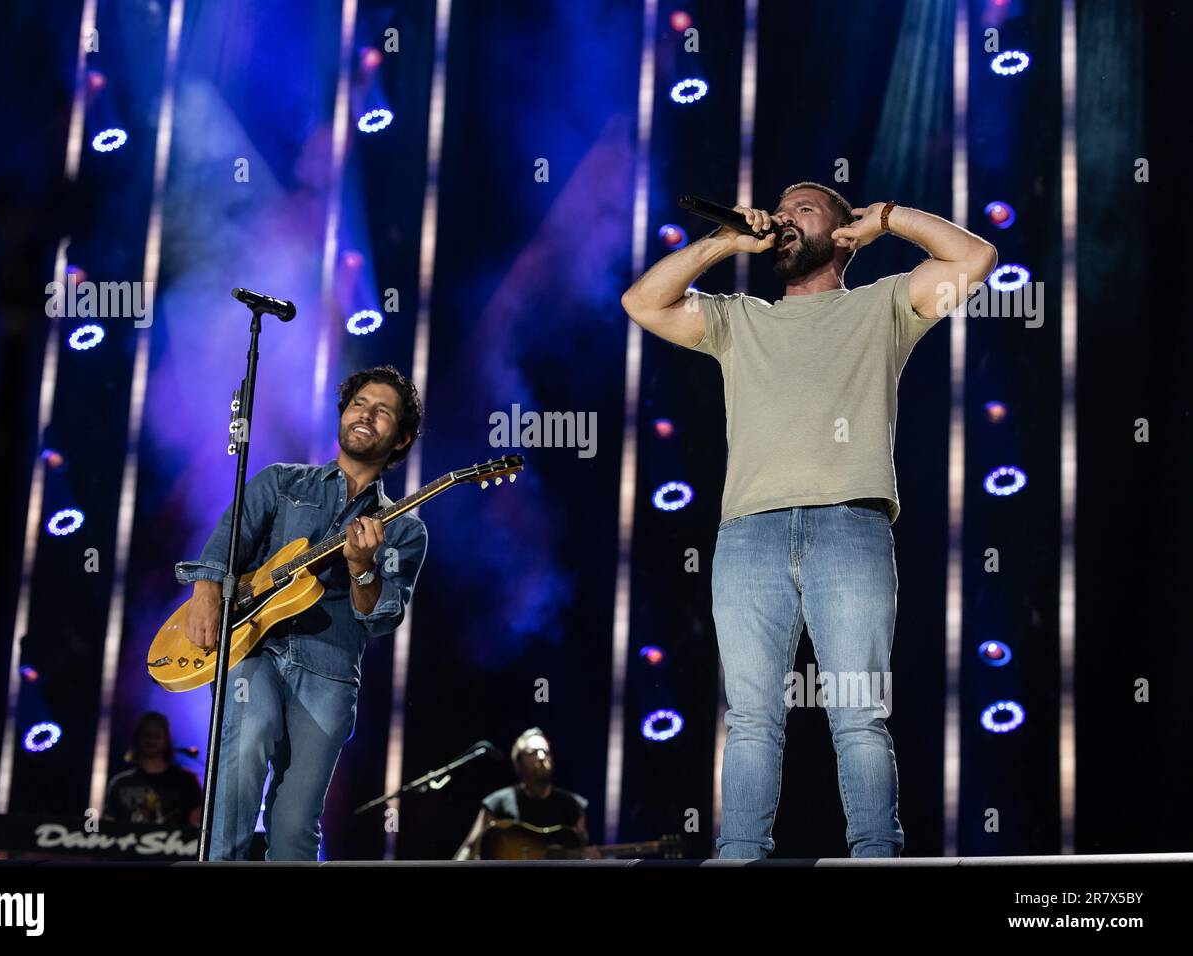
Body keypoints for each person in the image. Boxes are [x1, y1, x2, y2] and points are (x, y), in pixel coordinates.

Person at [621, 183, 996, 859]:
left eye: (804, 209)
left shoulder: (882, 305)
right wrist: (725, 241)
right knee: (752, 718)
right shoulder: (741, 319)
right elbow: (642, 302)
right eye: (781, 210)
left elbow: (974, 260)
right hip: (747, 536)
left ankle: (876, 853)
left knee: (859, 715)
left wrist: (886, 219)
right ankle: (739, 851)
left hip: (849, 528)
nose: (784, 217)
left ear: (839, 230)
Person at [175, 365, 429, 860]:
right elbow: (225, 547)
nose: (367, 415)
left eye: (383, 412)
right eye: (359, 404)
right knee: (249, 736)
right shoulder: (281, 482)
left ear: (400, 440)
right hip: (255, 649)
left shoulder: (404, 531)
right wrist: (205, 592)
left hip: (330, 671)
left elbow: (382, 617)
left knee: (294, 826)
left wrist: (361, 570)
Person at [454, 728, 593, 860]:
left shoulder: (572, 804)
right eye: (533, 752)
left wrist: (590, 858)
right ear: (518, 762)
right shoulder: (497, 803)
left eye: (546, 751)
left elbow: (583, 850)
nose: (541, 757)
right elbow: (469, 847)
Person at [104, 711, 202, 826]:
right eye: (147, 735)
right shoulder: (120, 783)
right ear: (137, 739)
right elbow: (108, 827)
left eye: (157, 735)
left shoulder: (186, 780)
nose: (151, 740)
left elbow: (197, 825)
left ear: (166, 740)